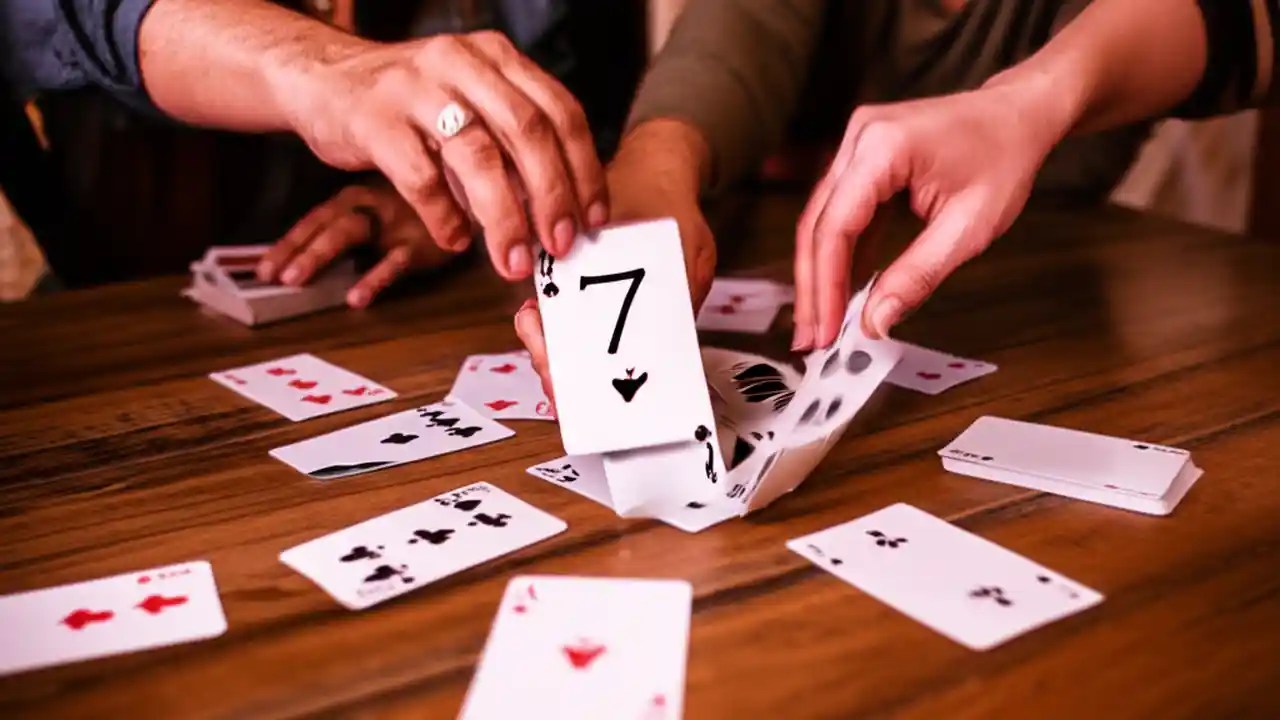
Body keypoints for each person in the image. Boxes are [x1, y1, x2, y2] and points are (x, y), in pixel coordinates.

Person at [515, 0, 1277, 399]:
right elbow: (737, 34)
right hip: (815, 289)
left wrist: (1033, 101)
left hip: (1055, 327)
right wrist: (656, 163)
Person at [2, 0, 608, 303]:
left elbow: (565, 117)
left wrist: (425, 197)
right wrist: (318, 69)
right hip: (113, 316)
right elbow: (51, 17)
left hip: (390, 316)